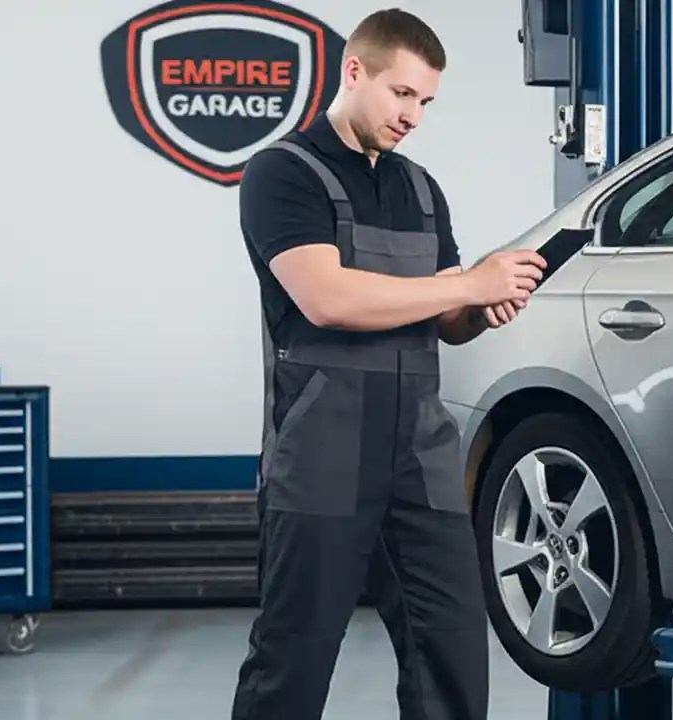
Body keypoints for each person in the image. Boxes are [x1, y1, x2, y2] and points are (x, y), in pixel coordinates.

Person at [229, 8, 546, 720]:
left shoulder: (419, 189)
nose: (414, 116)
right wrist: (467, 284)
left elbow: (448, 323)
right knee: (294, 662)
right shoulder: (282, 173)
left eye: (427, 102)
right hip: (322, 457)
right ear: (354, 71)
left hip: (419, 457)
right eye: (402, 94)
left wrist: (488, 302)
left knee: (454, 658)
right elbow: (326, 298)